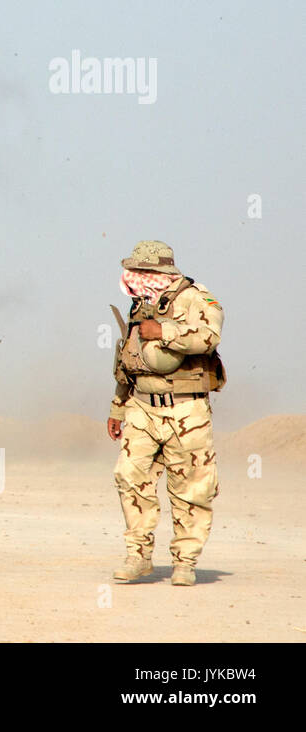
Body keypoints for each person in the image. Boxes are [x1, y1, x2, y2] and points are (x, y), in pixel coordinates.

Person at [108, 240, 224, 587]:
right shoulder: (140, 304)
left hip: (186, 410)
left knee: (191, 487)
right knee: (130, 477)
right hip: (142, 407)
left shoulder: (195, 297)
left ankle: (185, 562)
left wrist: (164, 331)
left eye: (141, 272)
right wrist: (118, 406)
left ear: (160, 272)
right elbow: (129, 359)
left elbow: (209, 336)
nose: (135, 278)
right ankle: (138, 555)